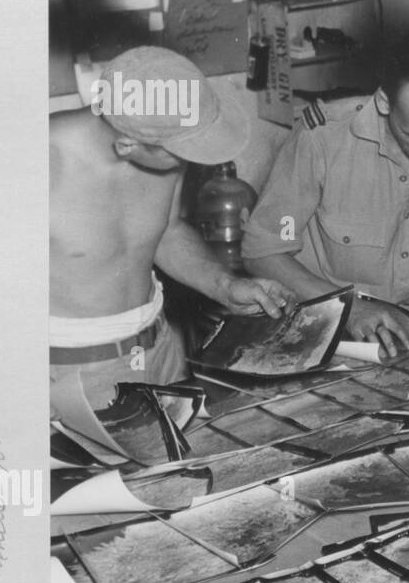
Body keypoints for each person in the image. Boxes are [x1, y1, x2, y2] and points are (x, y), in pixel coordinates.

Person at [51, 46, 295, 420]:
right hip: (74, 376)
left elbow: (165, 231)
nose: (191, 161)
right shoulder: (34, 163)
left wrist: (224, 286)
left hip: (161, 352)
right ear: (127, 144)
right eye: (183, 153)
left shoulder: (163, 137)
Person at [243, 28, 409, 353]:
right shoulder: (323, 140)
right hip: (333, 333)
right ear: (384, 101)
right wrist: (348, 307)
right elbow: (264, 252)